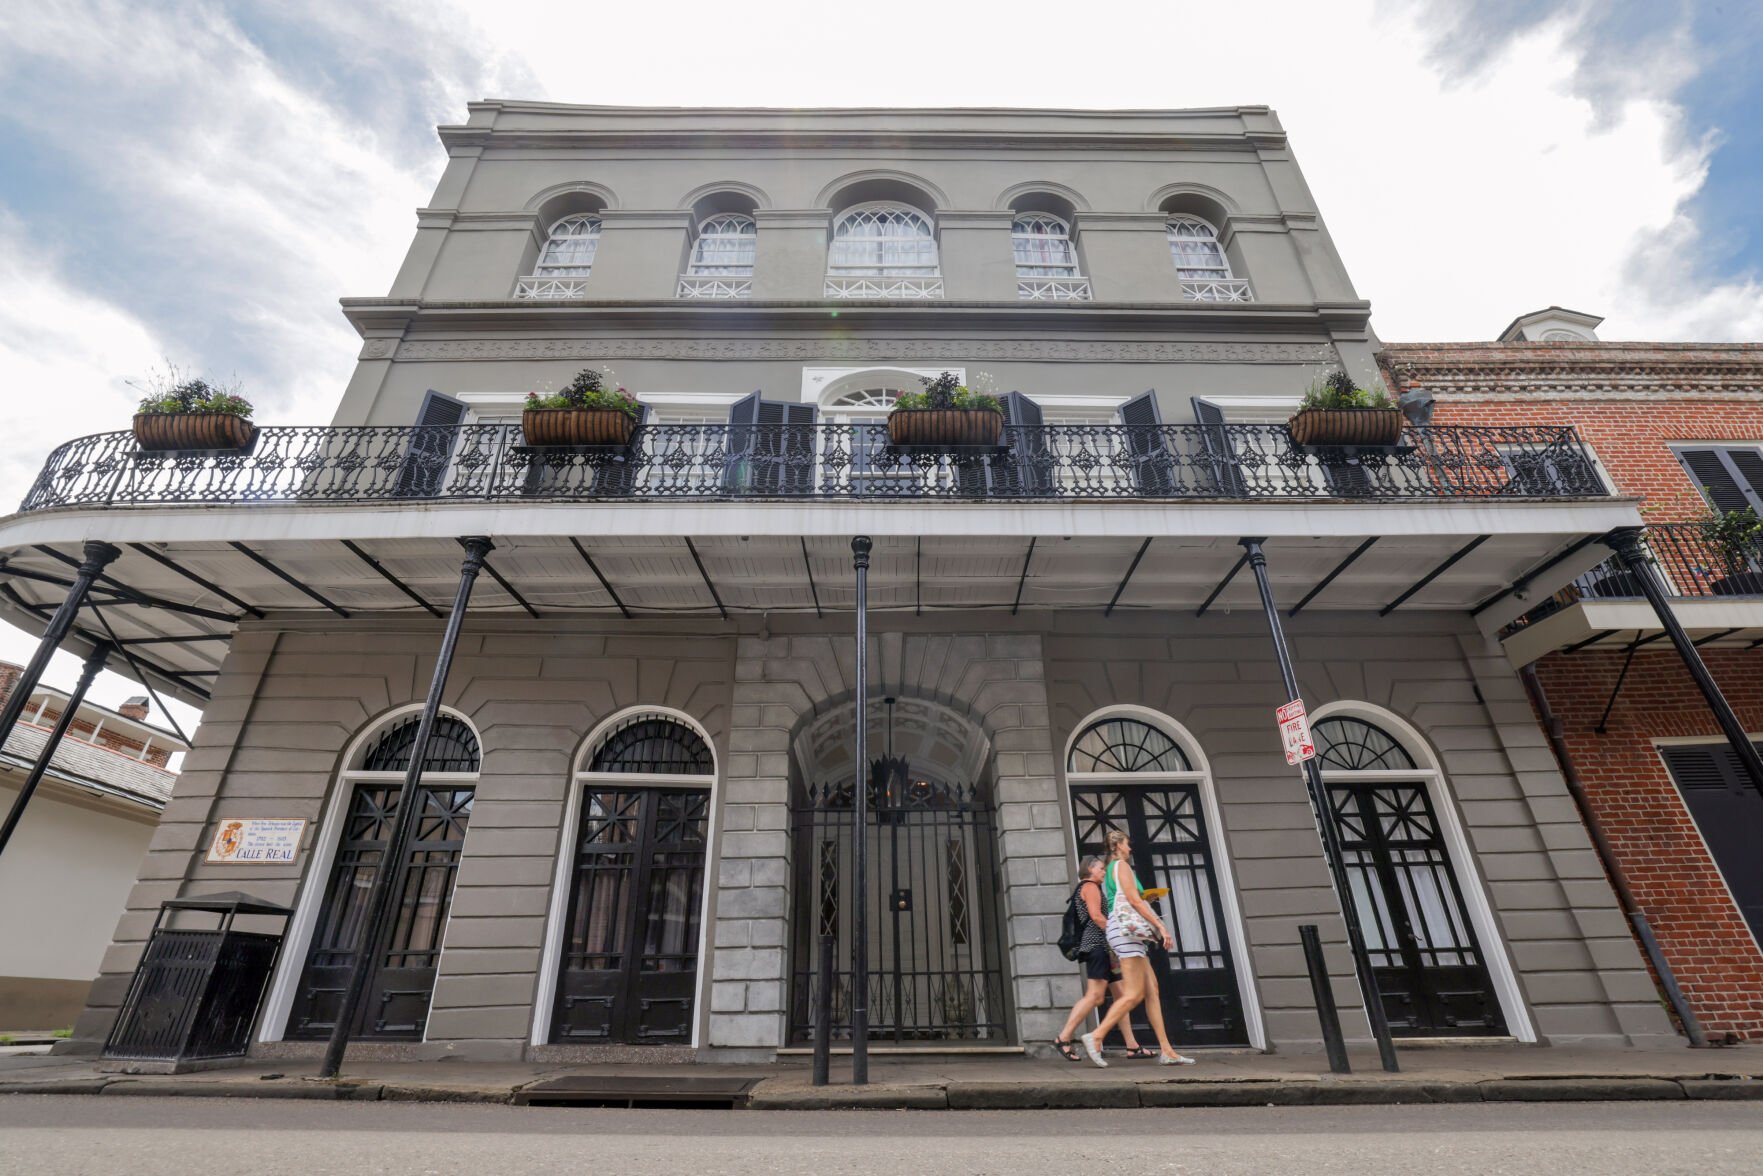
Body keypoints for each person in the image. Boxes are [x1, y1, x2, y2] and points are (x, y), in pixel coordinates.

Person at [1081, 829, 1196, 1068]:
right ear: (1118, 846)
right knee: (1133, 993)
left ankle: (1167, 1050)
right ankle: (1096, 1036)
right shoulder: (1121, 866)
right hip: (1124, 932)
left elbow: (1129, 898)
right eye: (1127, 844)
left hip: (1124, 931)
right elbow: (1133, 900)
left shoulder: (1112, 869)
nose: (1130, 848)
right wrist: (1160, 925)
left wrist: (1146, 901)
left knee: (1151, 989)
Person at [1051, 856, 1155, 1062]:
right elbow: (1097, 917)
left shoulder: (1093, 887)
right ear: (1089, 869)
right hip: (1097, 948)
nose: (1104, 871)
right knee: (1095, 997)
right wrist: (1119, 931)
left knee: (1121, 996)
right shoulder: (1089, 886)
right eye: (1100, 868)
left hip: (1106, 949)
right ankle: (1063, 1038)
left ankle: (1132, 1047)